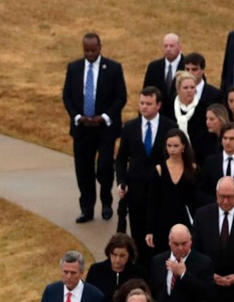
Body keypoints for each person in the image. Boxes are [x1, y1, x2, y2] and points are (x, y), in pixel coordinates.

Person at [63, 32, 127, 222]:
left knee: (105, 167)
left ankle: (106, 202)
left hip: (104, 129)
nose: (89, 53)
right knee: (83, 170)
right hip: (82, 129)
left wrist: (104, 117)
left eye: (93, 49)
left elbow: (120, 97)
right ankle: (87, 208)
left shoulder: (113, 68)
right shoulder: (74, 68)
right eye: (86, 50)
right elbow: (67, 96)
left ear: (100, 47)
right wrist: (77, 117)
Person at [115, 87, 169, 252]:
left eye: (149, 103)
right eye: (142, 103)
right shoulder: (130, 127)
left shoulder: (169, 127)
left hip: (159, 190)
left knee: (157, 232)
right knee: (137, 232)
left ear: (158, 105)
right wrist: (121, 182)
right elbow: (121, 158)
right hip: (136, 190)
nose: (144, 107)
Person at [149, 131, 198, 256]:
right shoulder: (159, 169)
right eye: (169, 146)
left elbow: (196, 200)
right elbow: (152, 201)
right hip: (162, 221)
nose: (172, 149)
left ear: (183, 146)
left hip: (185, 219)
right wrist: (149, 230)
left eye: (176, 146)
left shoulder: (193, 169)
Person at [173, 73, 212, 157]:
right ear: (178, 89)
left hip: (199, 154)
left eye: (192, 87)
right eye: (185, 88)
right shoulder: (168, 108)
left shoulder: (204, 108)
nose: (189, 90)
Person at [144, 32, 185, 99]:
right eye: (165, 46)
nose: (168, 49)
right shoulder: (153, 67)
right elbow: (147, 92)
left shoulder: (188, 66)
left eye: (171, 46)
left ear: (180, 47)